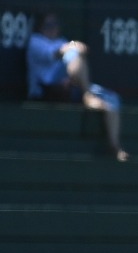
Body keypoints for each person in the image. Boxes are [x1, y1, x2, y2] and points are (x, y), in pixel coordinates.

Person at [25, 12, 127, 161]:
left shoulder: (62, 41)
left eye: (55, 24)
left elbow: (78, 51)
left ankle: (115, 145)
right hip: (45, 91)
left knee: (112, 99)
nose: (52, 28)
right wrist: (73, 46)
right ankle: (87, 95)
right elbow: (57, 53)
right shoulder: (36, 41)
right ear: (40, 27)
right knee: (74, 54)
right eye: (48, 25)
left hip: (70, 88)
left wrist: (73, 49)